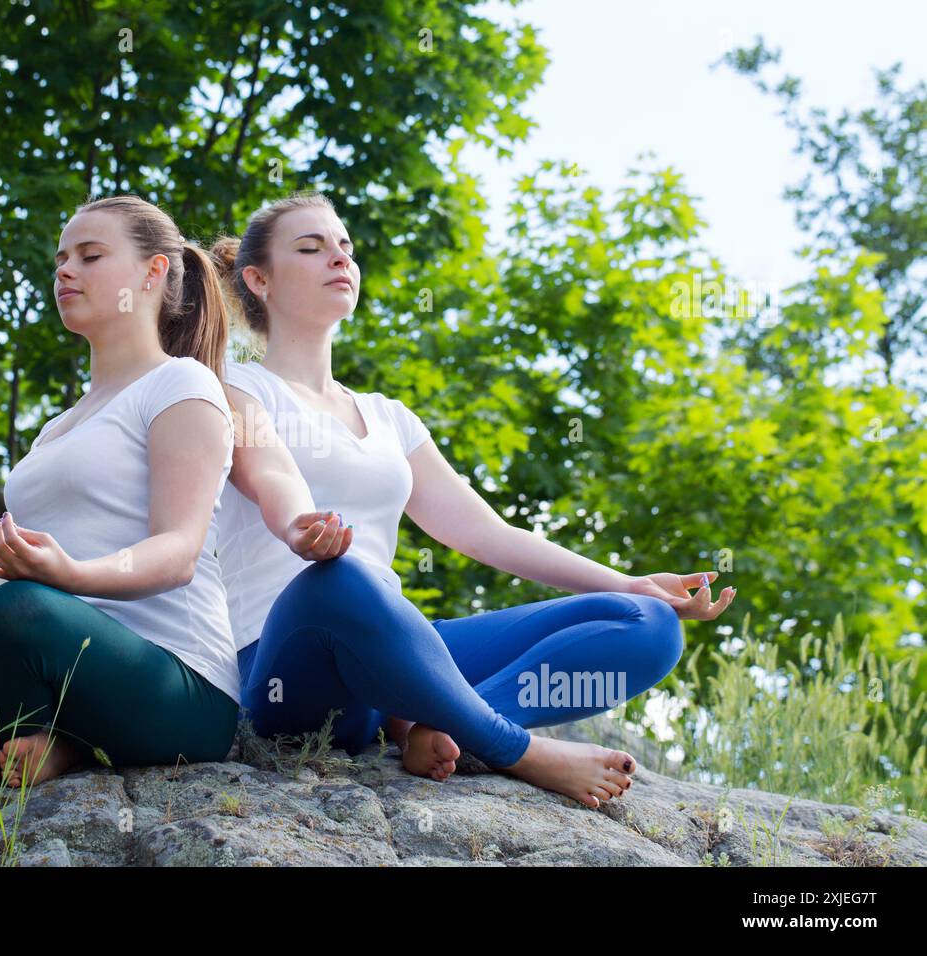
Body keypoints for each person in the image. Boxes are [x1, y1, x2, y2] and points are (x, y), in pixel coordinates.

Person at [0, 195, 344, 830]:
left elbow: (178, 553)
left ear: (153, 272)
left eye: (90, 256)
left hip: (177, 688)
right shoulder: (56, 429)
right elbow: (16, 622)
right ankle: (52, 741)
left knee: (21, 605)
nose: (64, 272)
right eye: (60, 259)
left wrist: (67, 576)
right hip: (56, 651)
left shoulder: (183, 386)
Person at [209, 191, 736, 808]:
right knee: (340, 579)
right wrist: (301, 526)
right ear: (258, 279)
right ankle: (520, 750)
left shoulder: (388, 419)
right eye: (312, 247)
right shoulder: (233, 387)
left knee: (647, 626)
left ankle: (447, 727)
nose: (340, 258)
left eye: (345, 246)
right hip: (286, 667)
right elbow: (270, 474)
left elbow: (487, 534)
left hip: (386, 666)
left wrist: (630, 582)